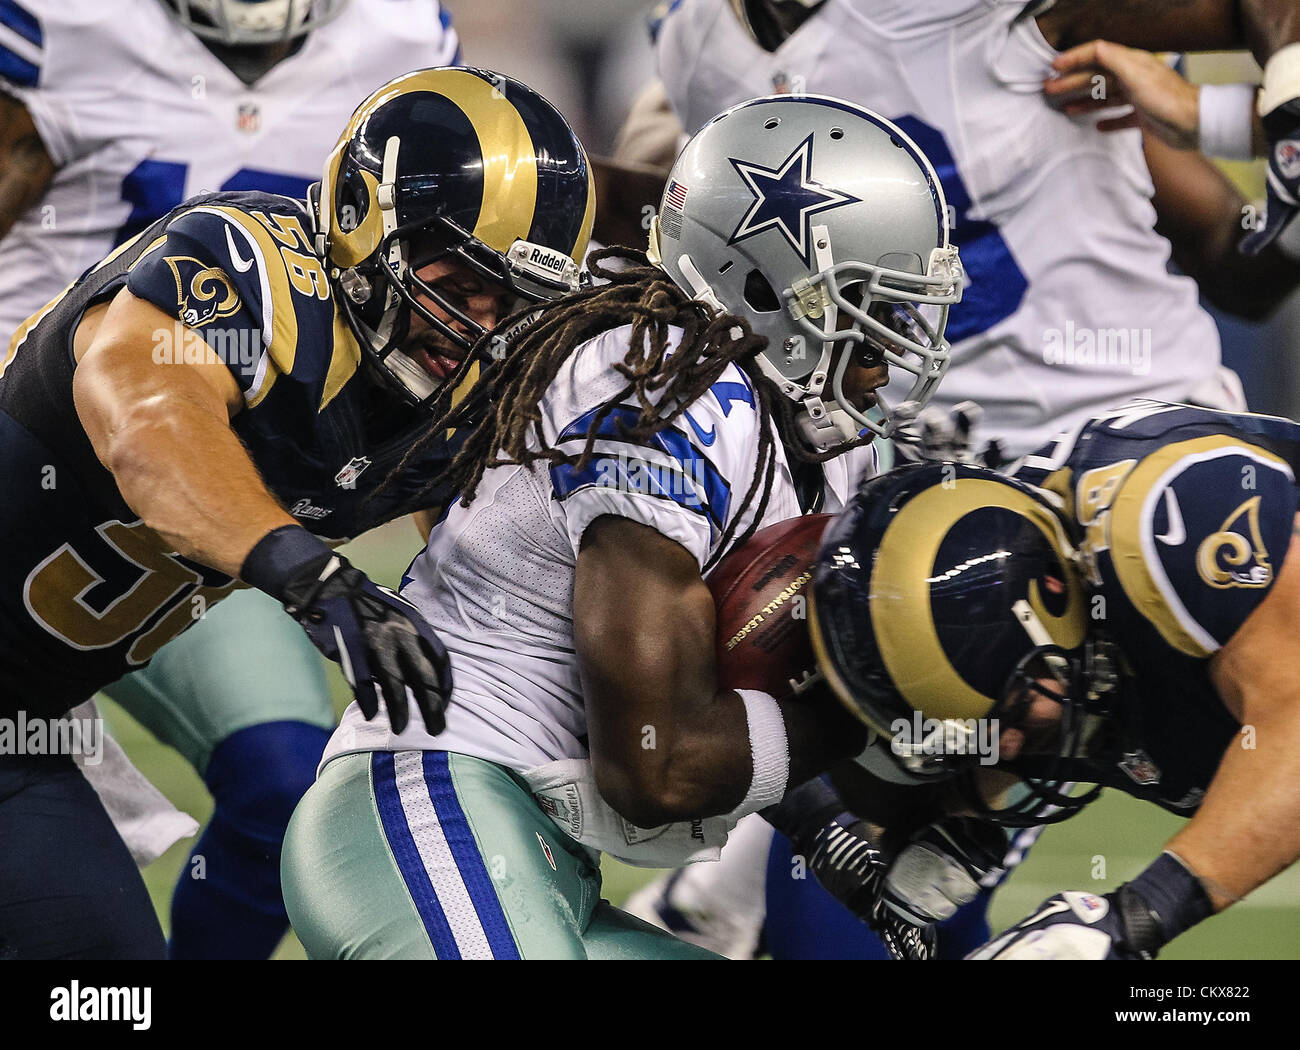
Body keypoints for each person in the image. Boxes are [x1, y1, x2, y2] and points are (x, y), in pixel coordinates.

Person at [626, 0, 1300, 959]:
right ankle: (724, 893)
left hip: (1113, 495)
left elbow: (1249, 254)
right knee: (868, 853)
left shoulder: (959, 15)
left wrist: (1233, 120)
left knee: (891, 851)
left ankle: (719, 897)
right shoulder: (695, 41)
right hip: (921, 511)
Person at [280, 93, 965, 959]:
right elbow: (657, 764)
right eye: (871, 311)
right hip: (430, 803)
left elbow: (712, 677)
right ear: (766, 285)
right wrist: (873, 709)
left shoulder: (819, 442)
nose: (893, 352)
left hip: (537, 858)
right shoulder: (670, 394)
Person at [0, 65, 596, 959]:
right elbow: (149, 426)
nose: (478, 326)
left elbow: (505, 575)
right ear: (364, 220)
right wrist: (308, 574)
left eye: (509, 302)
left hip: (22, 726)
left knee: (107, 985)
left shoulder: (461, 391)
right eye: (458, 281)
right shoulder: (254, 274)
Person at [808, 399, 1300, 959]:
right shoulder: (1025, 623)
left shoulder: (1162, 520)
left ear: (1056, 602)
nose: (1007, 746)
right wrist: (945, 821)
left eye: (1010, 712)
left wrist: (1136, 918)